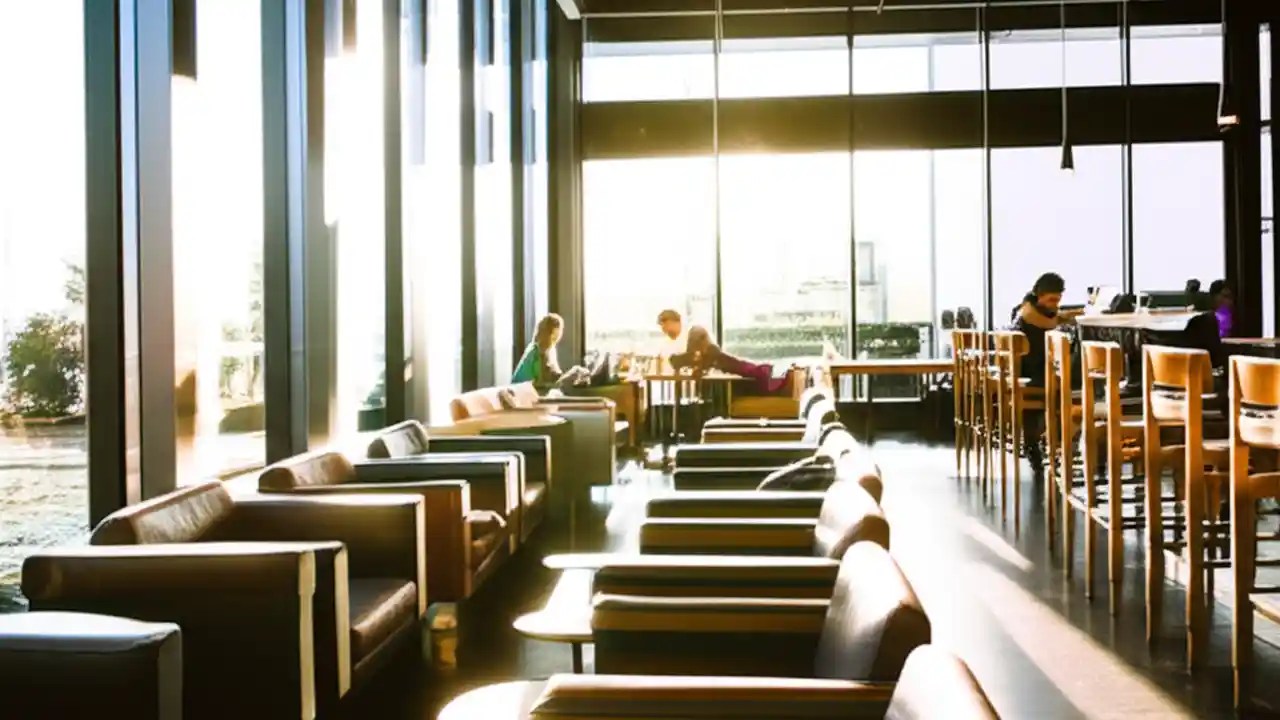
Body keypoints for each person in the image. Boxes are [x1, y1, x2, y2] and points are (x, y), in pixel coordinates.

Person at [1010, 273, 1079, 473]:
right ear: (1039, 296)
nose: (1054, 305)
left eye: (1057, 301)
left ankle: (1049, 440)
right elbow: (1044, 352)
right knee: (1077, 382)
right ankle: (1063, 442)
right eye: (1051, 300)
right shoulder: (1034, 321)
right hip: (1035, 375)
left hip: (1027, 373)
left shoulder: (1025, 312)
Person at [670, 325, 792, 396]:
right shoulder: (706, 353)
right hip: (743, 371)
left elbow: (697, 368)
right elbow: (677, 361)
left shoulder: (711, 352)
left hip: (746, 373)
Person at [512, 313, 586, 389]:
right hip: (524, 393)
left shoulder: (550, 350)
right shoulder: (536, 352)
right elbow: (539, 385)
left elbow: (554, 377)